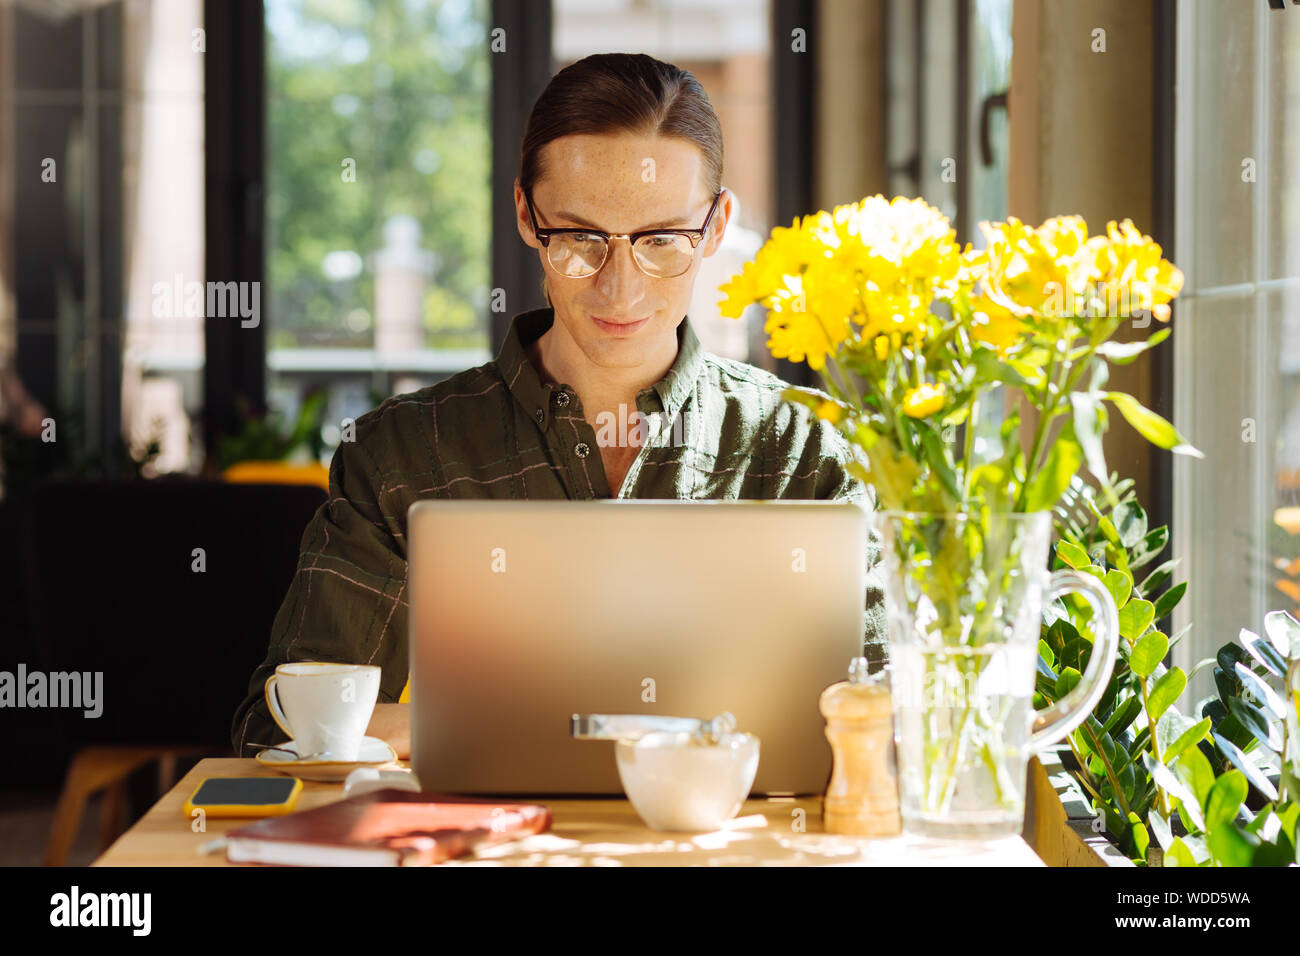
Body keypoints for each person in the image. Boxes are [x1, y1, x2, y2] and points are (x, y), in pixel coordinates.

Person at [231, 52, 884, 760]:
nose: (621, 290)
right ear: (525, 215)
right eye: (580, 239)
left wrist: (493, 733)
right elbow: (283, 732)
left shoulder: (806, 448)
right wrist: (562, 739)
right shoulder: (402, 458)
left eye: (663, 240)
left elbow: (894, 715)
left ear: (718, 226)